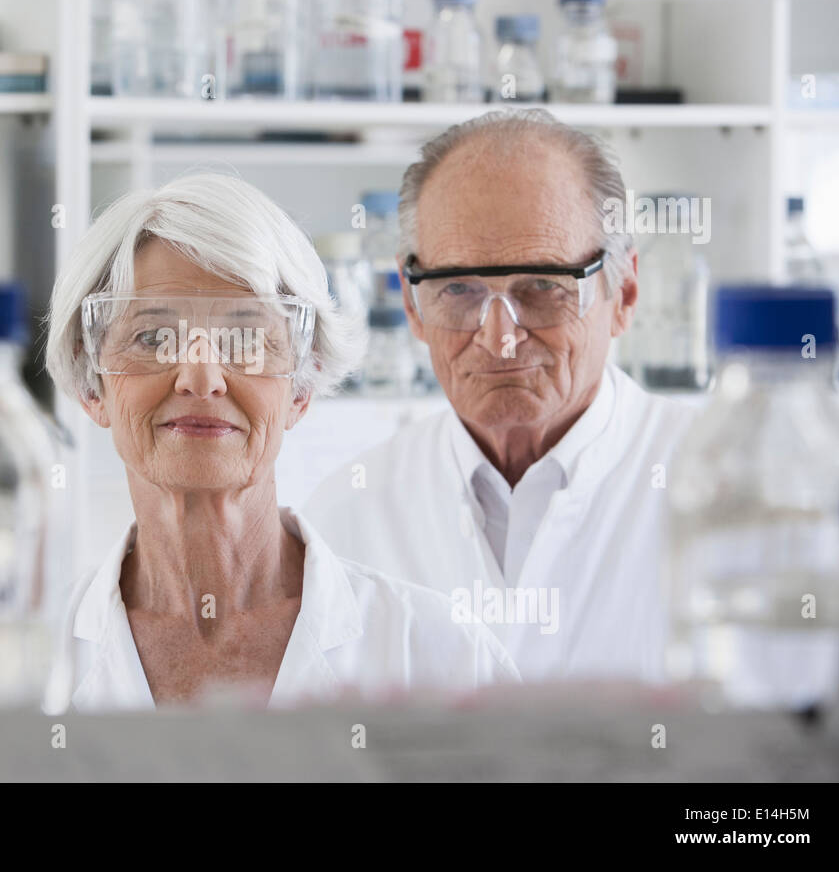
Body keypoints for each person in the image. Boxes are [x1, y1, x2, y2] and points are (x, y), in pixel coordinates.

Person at [42, 172, 519, 713]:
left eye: (246, 337)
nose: (201, 378)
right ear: (91, 385)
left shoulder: (445, 661)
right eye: (153, 338)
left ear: (301, 388)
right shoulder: (30, 664)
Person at [305, 110, 697, 684]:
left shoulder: (718, 486)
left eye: (542, 287)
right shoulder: (345, 518)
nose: (498, 336)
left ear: (625, 292)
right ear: (413, 305)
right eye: (458, 289)